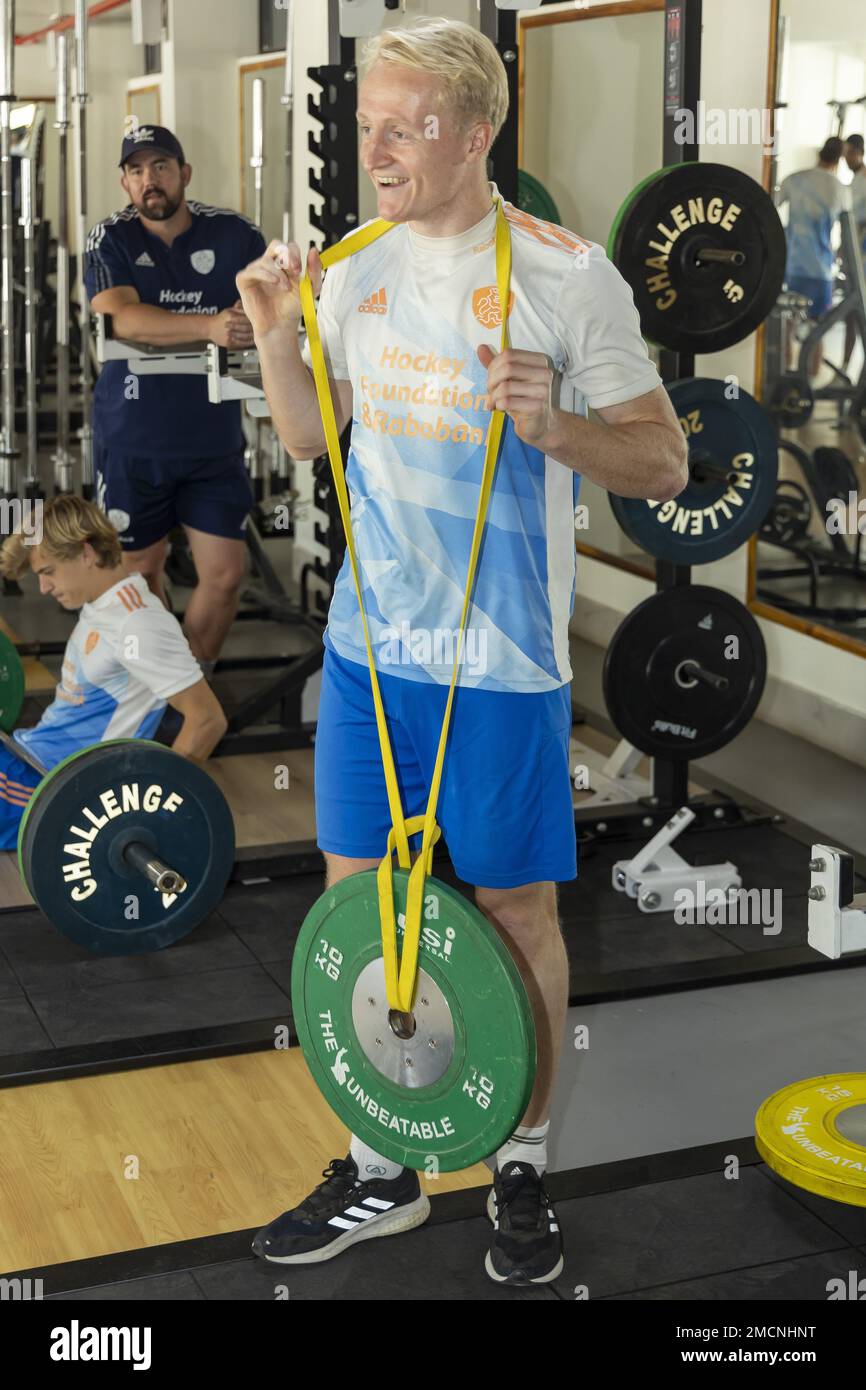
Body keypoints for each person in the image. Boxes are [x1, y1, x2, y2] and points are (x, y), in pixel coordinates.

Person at [238, 17, 687, 1286]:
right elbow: (314, 442)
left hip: (501, 666)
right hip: (375, 654)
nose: (370, 149)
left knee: (512, 910)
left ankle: (523, 1161)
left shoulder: (565, 273)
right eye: (364, 124)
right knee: (353, 908)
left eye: (401, 125)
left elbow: (664, 462)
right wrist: (277, 328)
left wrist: (559, 430)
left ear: (475, 131)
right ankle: (380, 1168)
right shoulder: (350, 268)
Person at [84, 124, 266, 679]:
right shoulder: (109, 238)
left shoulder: (233, 233)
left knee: (227, 574)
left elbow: (271, 302)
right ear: (125, 182)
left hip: (211, 440)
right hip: (133, 438)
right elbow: (123, 317)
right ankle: (166, 686)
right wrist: (211, 324)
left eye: (160, 167)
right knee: (140, 572)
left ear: (183, 173)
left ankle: (195, 679)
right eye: (137, 171)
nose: (149, 181)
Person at [0, 496, 227, 851]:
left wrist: (149, 810)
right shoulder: (101, 605)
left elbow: (208, 720)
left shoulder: (138, 624)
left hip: (51, 789)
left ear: (86, 553)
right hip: (25, 757)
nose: (43, 589)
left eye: (48, 572)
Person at [777, 137, 849, 377]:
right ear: (839, 159)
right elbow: (848, 229)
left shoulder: (794, 179)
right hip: (821, 271)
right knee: (817, 329)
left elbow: (769, 207)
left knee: (787, 326)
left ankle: (787, 375)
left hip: (794, 266)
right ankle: (811, 380)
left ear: (819, 153)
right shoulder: (840, 188)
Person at [842, 134, 866, 371]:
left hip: (863, 258)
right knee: (852, 315)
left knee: (858, 316)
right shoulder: (853, 182)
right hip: (855, 256)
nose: (845, 158)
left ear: (859, 152)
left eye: (849, 153)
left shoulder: (863, 181)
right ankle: (846, 367)